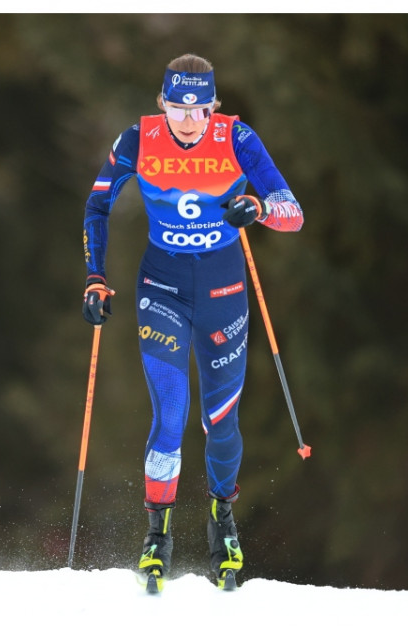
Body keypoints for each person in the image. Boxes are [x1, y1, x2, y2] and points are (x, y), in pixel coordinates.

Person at [80, 54, 302, 592]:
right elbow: (97, 204)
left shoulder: (237, 138)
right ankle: (157, 535)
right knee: (171, 414)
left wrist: (257, 209)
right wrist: (95, 276)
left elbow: (291, 212)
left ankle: (223, 521)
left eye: (198, 108)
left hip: (225, 292)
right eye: (177, 106)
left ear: (212, 107)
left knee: (220, 421)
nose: (187, 119)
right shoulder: (138, 138)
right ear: (162, 102)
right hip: (162, 287)